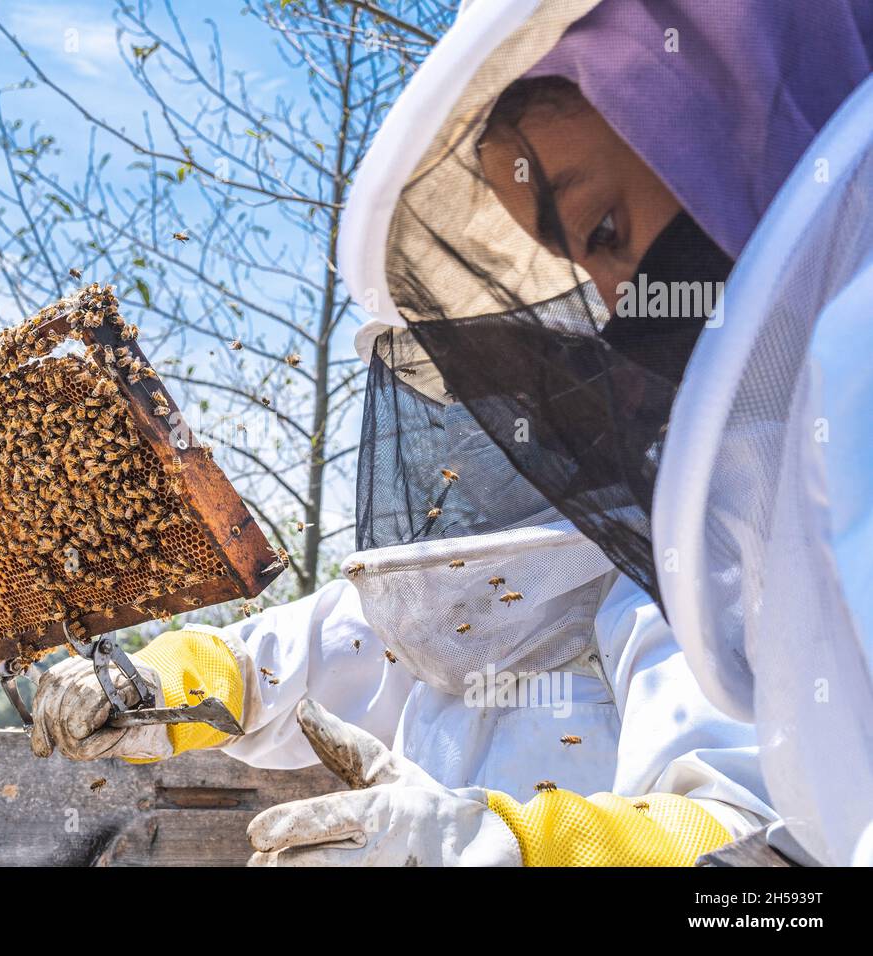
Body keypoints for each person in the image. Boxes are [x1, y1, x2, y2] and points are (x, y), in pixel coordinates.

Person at [335, 0, 873, 863]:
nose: (629, 312)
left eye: (608, 233)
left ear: (733, 84)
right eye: (592, 267)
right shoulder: (777, 483)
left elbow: (735, 795)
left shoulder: (850, 369)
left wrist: (574, 845)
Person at [31, 395, 776, 865]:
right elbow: (253, 668)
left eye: (494, 400)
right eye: (453, 404)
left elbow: (748, 844)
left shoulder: (683, 587)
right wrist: (146, 688)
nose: (463, 437)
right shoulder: (431, 601)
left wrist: (498, 846)